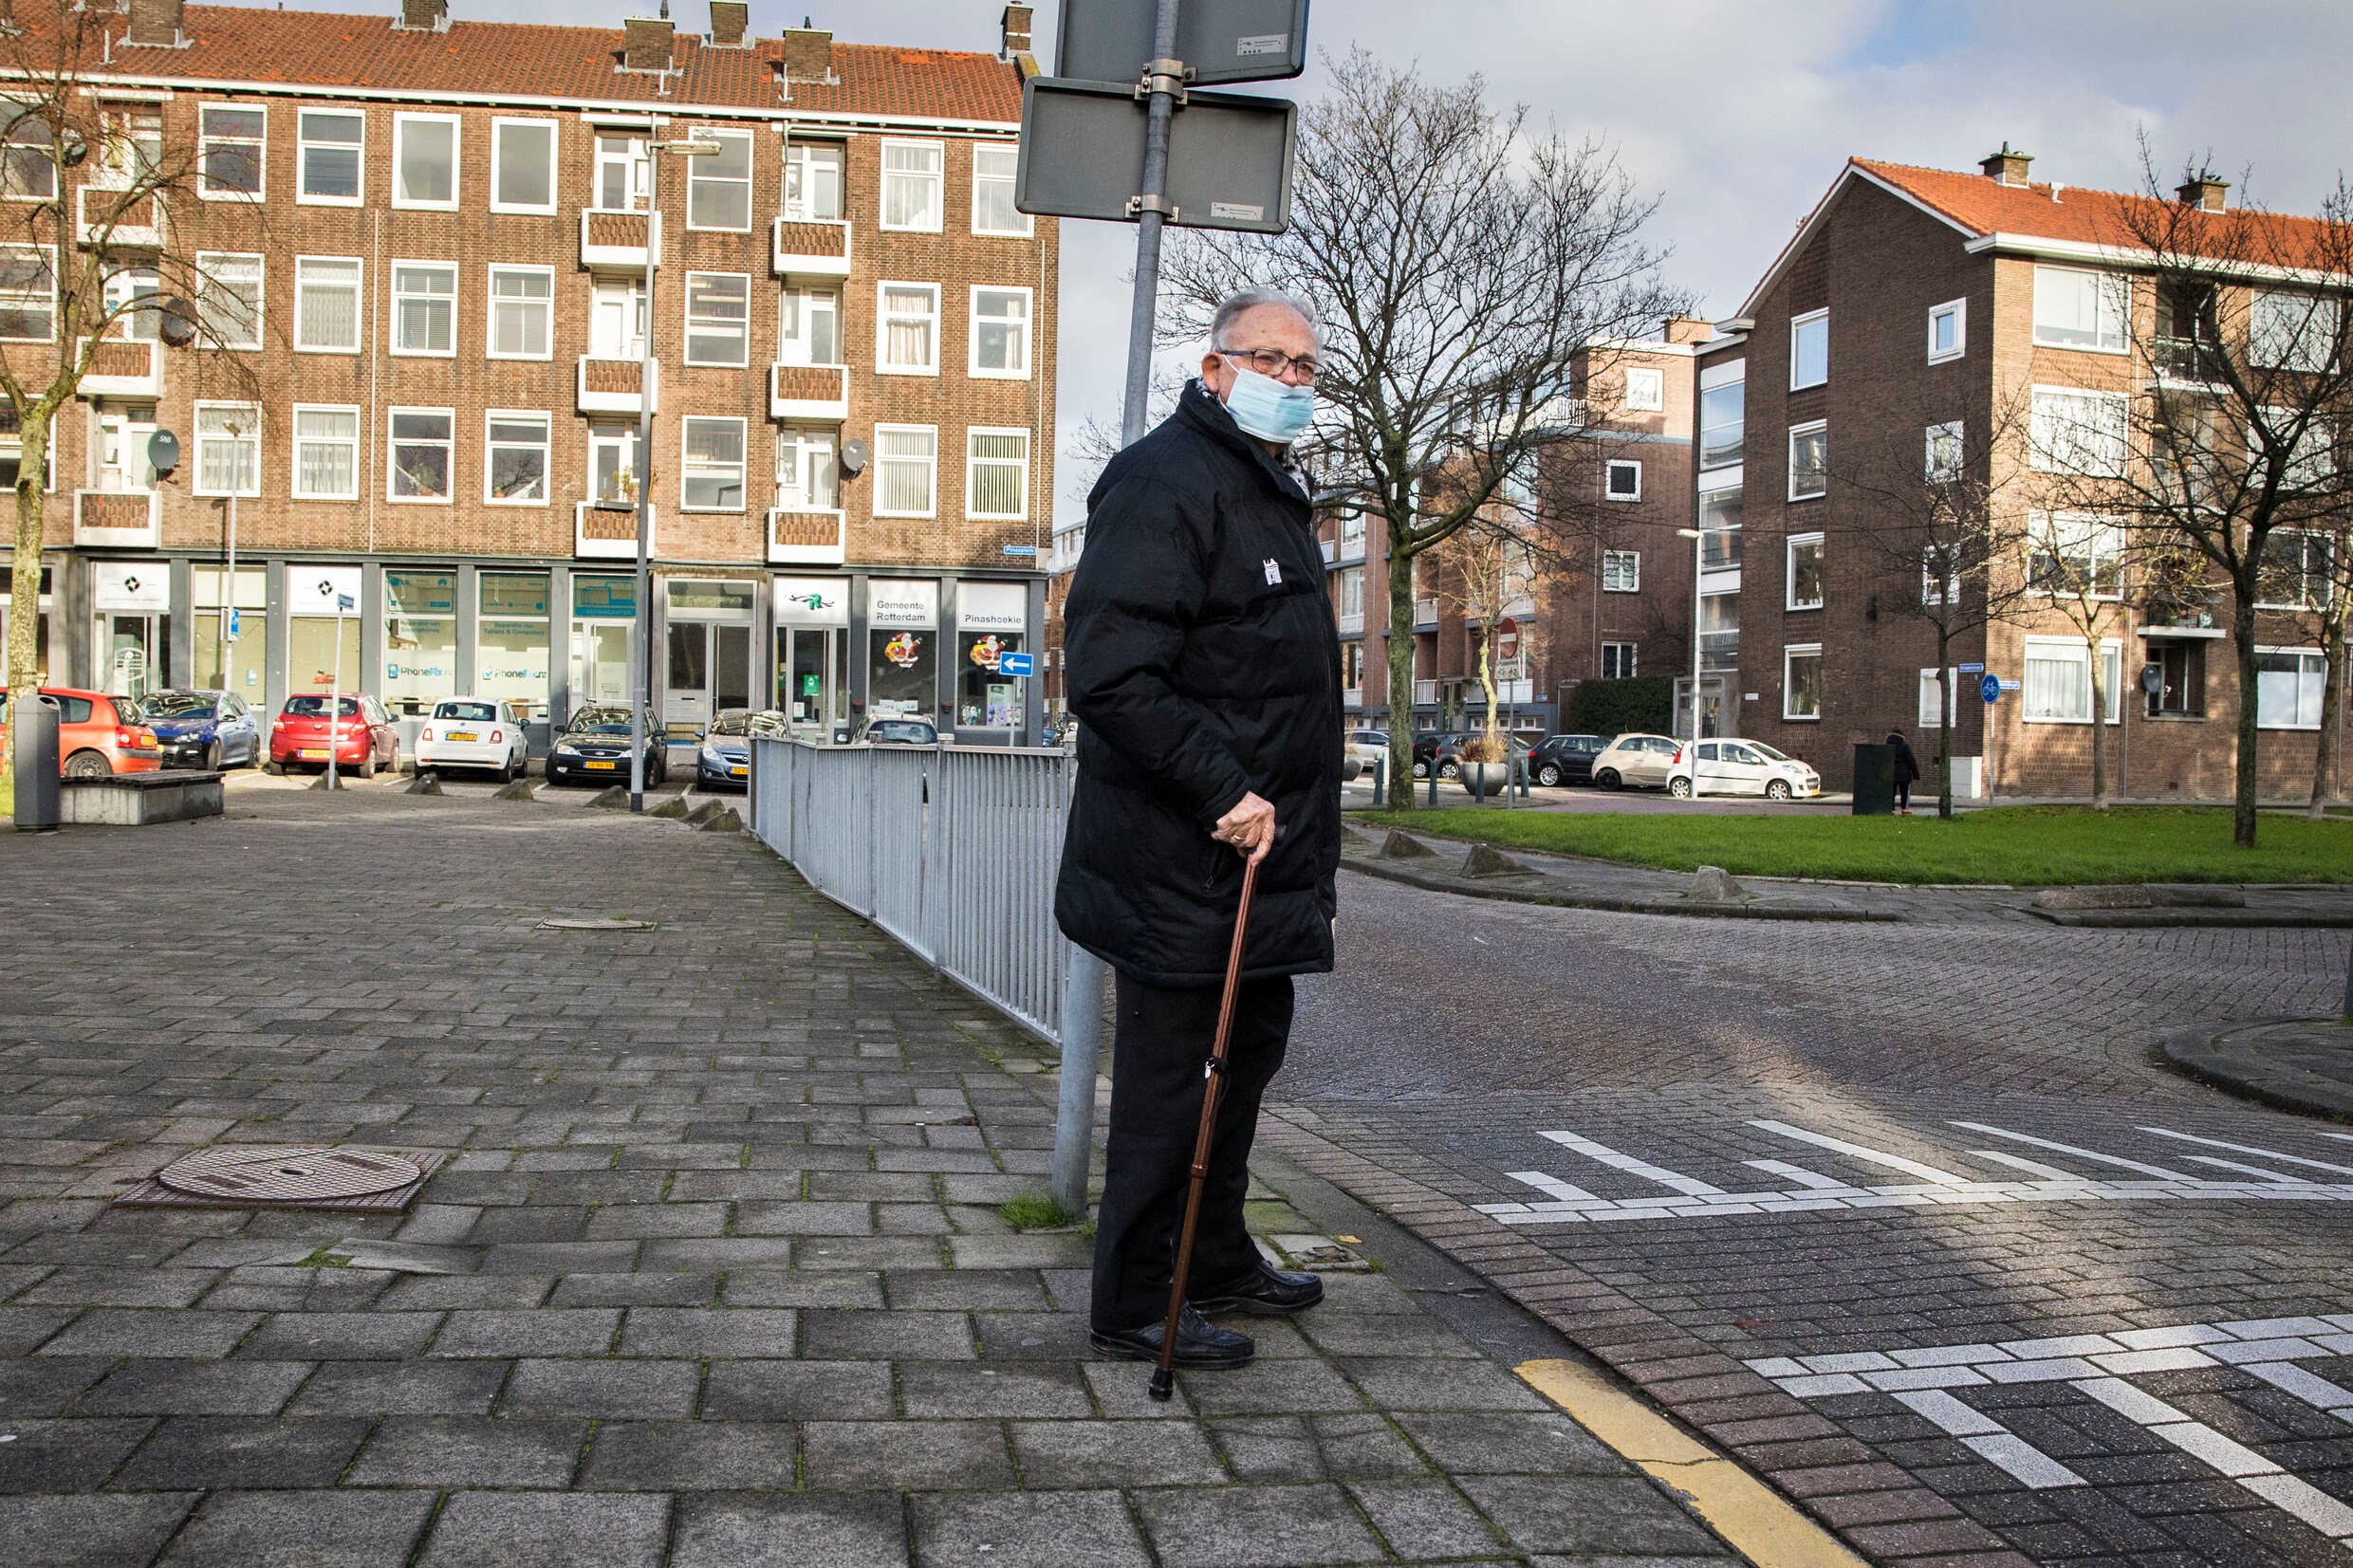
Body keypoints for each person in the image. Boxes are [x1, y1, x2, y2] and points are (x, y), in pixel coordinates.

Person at [1056, 287, 1343, 1370]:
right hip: (1185, 859)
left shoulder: (1268, 489)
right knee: (1175, 1088)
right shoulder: (1162, 479)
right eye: (1266, 358)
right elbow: (1112, 675)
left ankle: (1214, 1257)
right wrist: (1223, 789)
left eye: (1304, 366)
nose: (1287, 379)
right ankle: (1134, 1303)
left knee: (1244, 1067)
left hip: (1260, 866)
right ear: (1214, 366)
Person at [1887, 729, 1920, 813]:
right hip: (1904, 773)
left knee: (1891, 792)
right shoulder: (1904, 746)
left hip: (1890, 773)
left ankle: (1891, 809)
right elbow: (1911, 760)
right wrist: (1915, 774)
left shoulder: (1887, 746)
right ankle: (1904, 809)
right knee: (1905, 792)